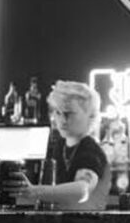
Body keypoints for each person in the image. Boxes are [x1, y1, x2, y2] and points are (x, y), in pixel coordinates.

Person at [9, 80, 110, 210]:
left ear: (90, 116)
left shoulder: (89, 148)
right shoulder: (60, 144)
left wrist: (34, 191)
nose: (62, 120)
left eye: (69, 114)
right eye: (58, 112)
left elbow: (82, 190)